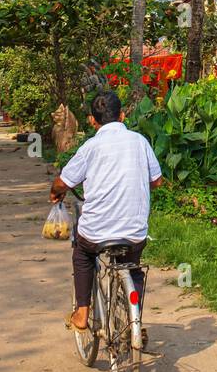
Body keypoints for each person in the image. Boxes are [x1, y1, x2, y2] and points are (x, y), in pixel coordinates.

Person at [49, 89, 163, 333]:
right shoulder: (140, 142)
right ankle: (135, 321)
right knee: (132, 268)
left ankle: (82, 313)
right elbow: (157, 181)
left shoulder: (91, 147)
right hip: (134, 232)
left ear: (92, 120)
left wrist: (56, 191)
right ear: (122, 116)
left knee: (82, 253)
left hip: (97, 232)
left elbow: (64, 182)